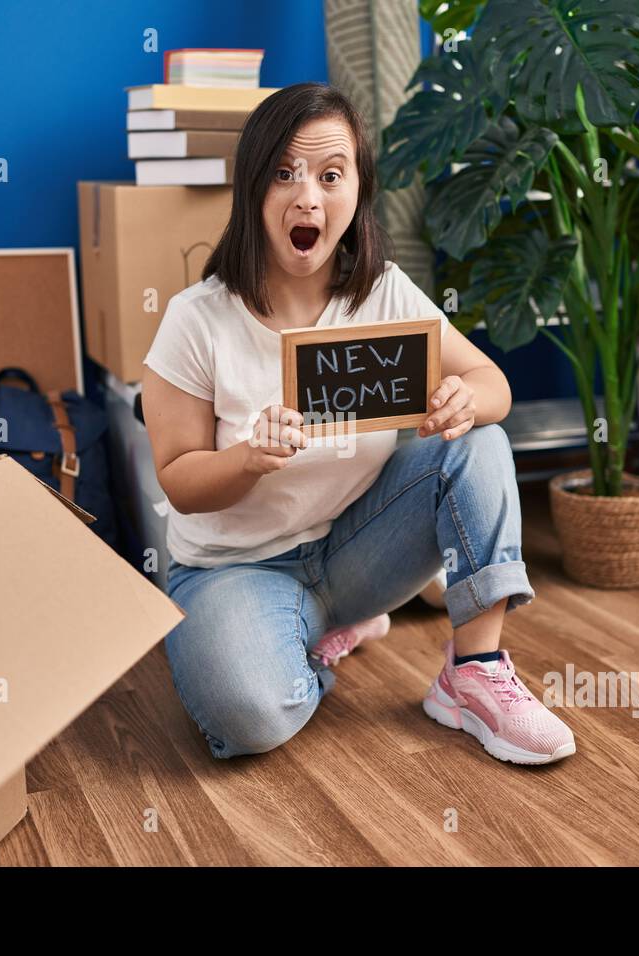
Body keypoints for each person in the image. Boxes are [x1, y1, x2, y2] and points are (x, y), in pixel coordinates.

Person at [140, 82, 575, 765]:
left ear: (356, 194)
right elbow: (181, 481)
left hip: (356, 549)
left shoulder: (383, 294)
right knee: (248, 716)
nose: (307, 195)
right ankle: (304, 637)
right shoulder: (196, 320)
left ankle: (474, 671)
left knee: (479, 442)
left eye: (329, 175)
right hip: (234, 570)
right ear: (252, 186)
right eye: (284, 173)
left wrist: (465, 398)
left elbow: (496, 386)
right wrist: (248, 457)